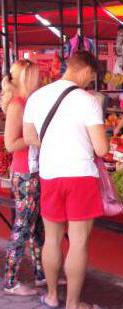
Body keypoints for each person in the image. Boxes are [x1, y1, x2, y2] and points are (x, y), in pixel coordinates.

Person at [23, 51, 108, 309]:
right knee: (79, 241)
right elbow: (102, 148)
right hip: (80, 175)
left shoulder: (37, 97)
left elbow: (28, 137)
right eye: (91, 77)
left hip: (50, 173)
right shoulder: (88, 101)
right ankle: (73, 306)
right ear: (85, 71)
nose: (89, 81)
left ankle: (51, 296)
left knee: (52, 238)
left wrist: (56, 145)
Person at [1, 59, 45, 296]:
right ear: (27, 78)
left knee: (36, 226)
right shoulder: (18, 104)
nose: (40, 79)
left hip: (34, 170)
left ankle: (41, 274)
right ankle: (10, 280)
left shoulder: (28, 102)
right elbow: (10, 144)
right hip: (25, 172)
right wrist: (37, 139)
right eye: (37, 75)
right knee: (22, 226)